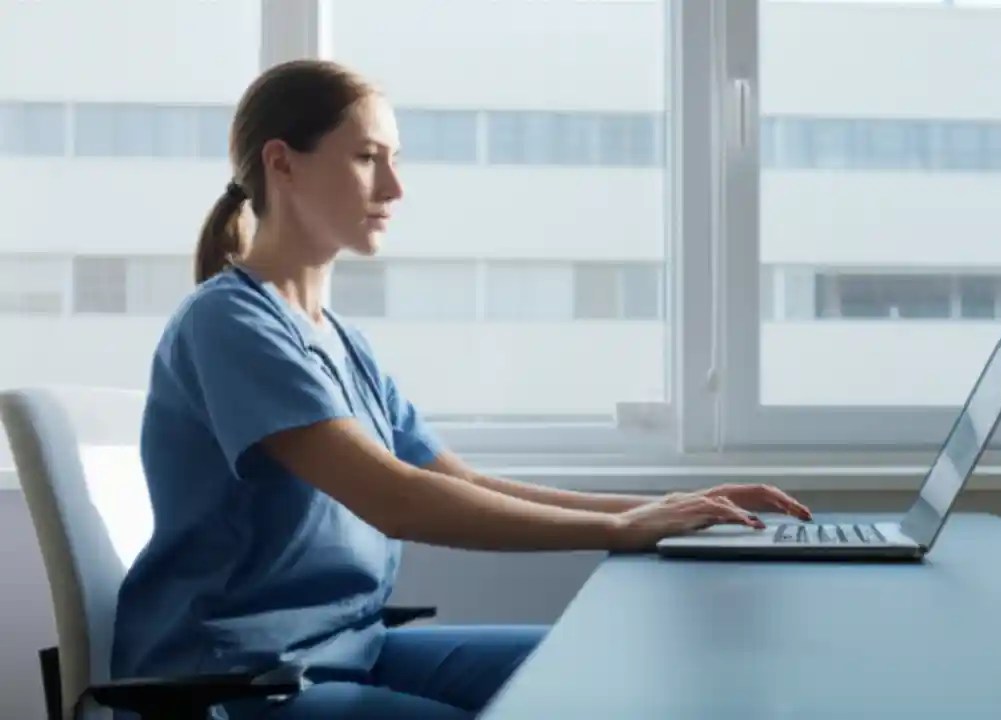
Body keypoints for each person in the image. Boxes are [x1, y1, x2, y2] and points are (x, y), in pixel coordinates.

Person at [110, 59, 813, 720]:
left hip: (347, 651)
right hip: (241, 682)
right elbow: (396, 500)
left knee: (606, 670)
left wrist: (662, 509)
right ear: (281, 162)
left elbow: (456, 479)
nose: (394, 188)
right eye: (366, 158)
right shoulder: (228, 322)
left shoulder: (337, 338)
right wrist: (618, 529)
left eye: (395, 160)